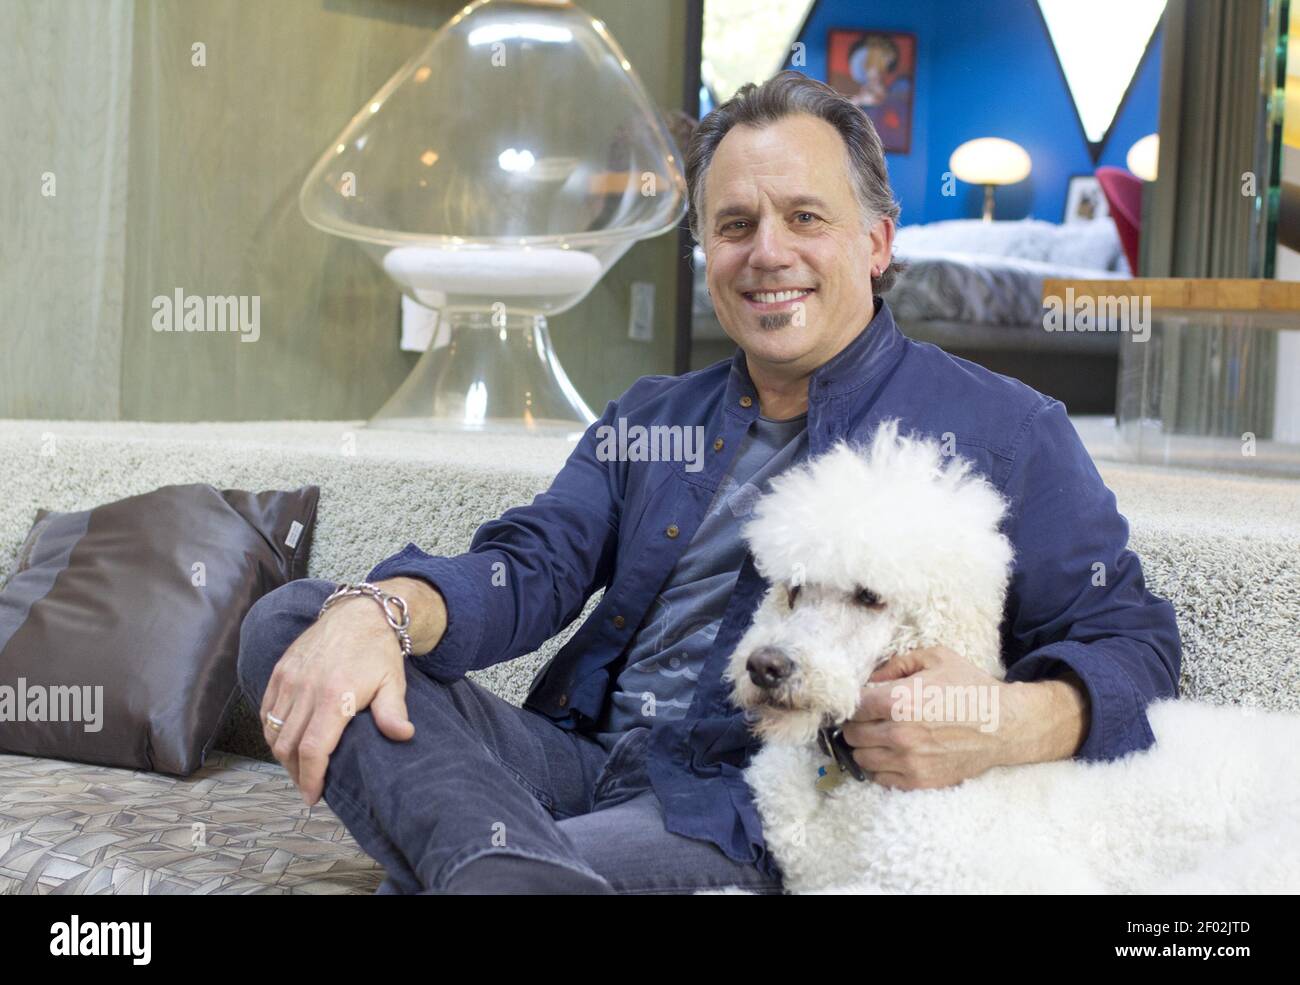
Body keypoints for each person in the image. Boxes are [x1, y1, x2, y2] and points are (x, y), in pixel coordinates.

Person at [237, 70, 1181, 894]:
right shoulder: (652, 417)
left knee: (488, 847)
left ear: (878, 242)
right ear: (706, 253)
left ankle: (491, 862)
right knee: (298, 619)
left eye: (805, 217)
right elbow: (531, 565)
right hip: (571, 756)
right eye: (734, 225)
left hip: (747, 800)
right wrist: (382, 612)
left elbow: (1133, 645)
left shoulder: (1006, 430)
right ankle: (507, 867)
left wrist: (1001, 721)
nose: (766, 252)